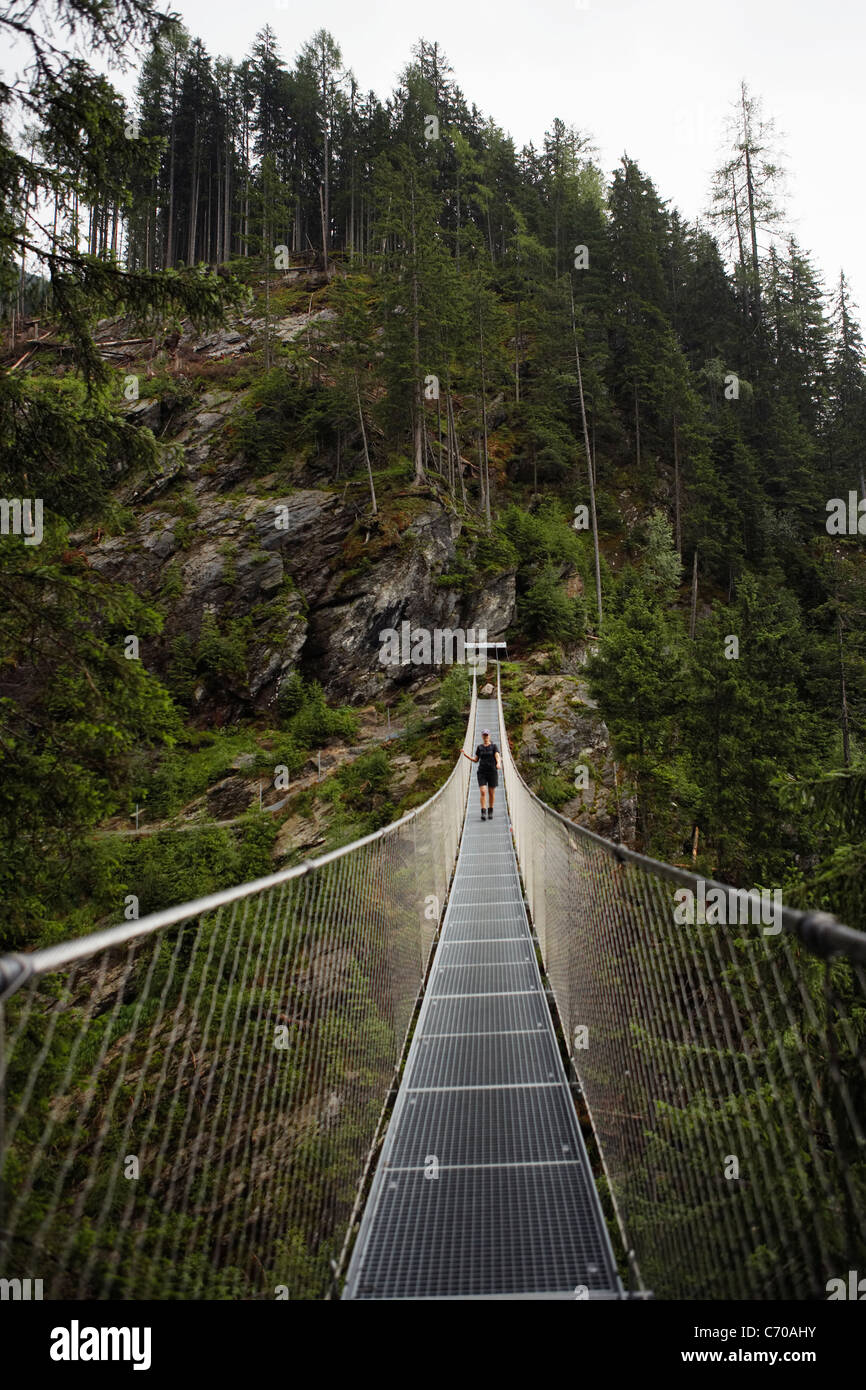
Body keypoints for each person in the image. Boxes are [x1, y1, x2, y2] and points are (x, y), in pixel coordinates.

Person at [463, 729, 502, 820]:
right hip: (482, 772)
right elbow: (476, 760)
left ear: (489, 736)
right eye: (484, 735)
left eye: (487, 735)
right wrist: (466, 755)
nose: (485, 737)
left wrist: (498, 763)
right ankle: (483, 811)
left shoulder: (494, 746)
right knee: (483, 791)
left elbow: (497, 756)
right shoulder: (479, 747)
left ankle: (490, 810)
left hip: (492, 771)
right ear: (482, 736)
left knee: (491, 793)